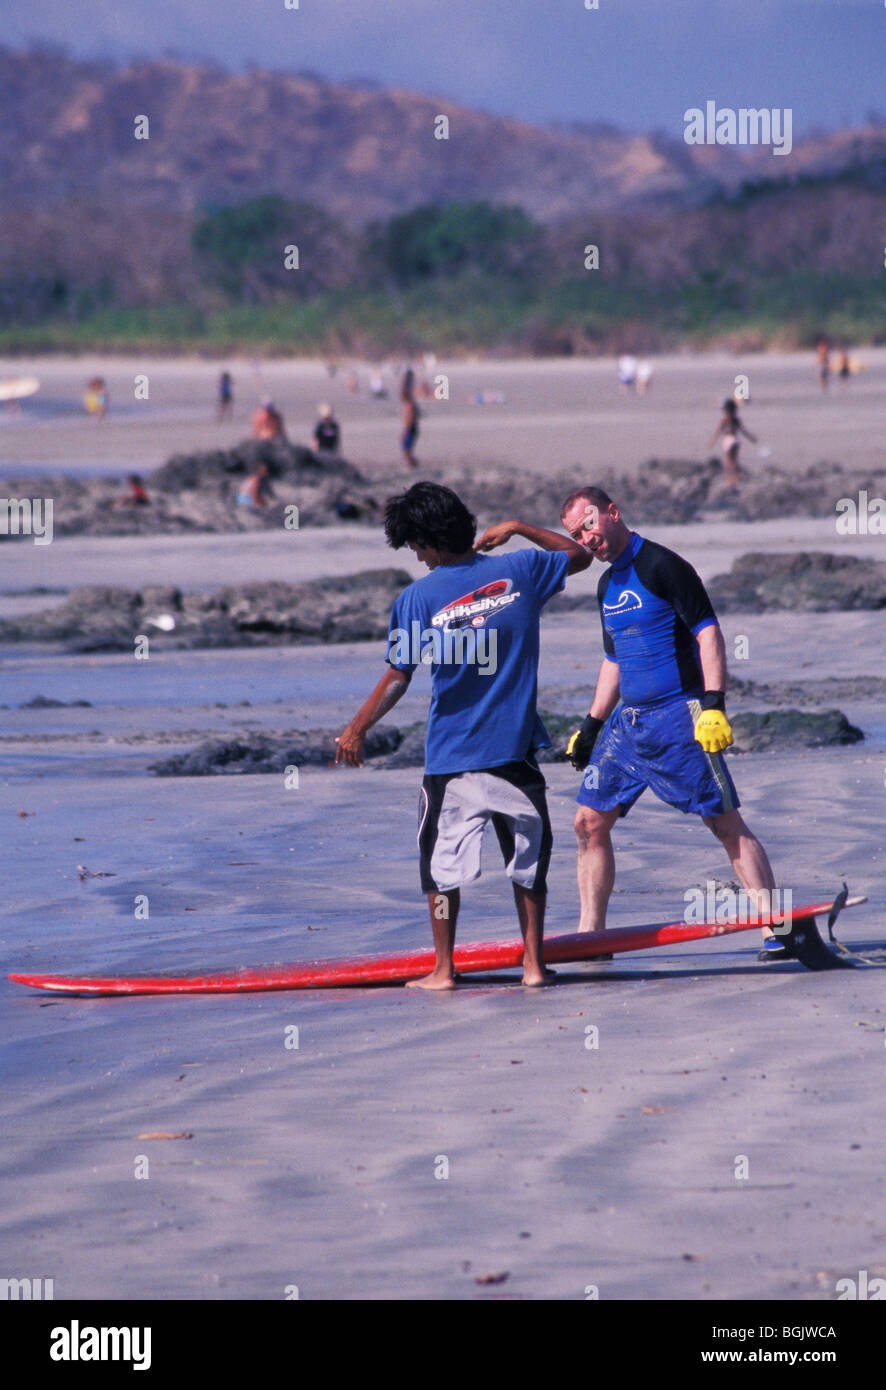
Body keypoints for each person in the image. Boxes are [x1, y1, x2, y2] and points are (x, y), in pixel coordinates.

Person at [335, 481, 591, 989]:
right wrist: (518, 528)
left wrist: (354, 730)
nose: (416, 557)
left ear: (428, 542)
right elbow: (579, 555)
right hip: (514, 750)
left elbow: (398, 676)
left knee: (439, 866)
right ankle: (534, 967)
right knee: (528, 861)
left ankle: (444, 969)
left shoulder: (415, 599)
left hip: (452, 755)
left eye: (414, 546)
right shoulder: (521, 569)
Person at [560, 486, 783, 961]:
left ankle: (776, 927)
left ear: (614, 513)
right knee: (587, 823)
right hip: (628, 726)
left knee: (724, 823)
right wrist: (592, 724)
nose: (588, 539)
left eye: (591, 524)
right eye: (577, 535)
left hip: (680, 718)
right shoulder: (606, 587)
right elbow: (612, 660)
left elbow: (709, 633)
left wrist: (715, 704)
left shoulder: (664, 566)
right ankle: (591, 939)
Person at [708, 398, 755, 487]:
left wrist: (712, 442)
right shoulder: (736, 419)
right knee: (735, 460)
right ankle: (736, 478)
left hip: (728, 439)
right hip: (736, 440)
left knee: (727, 461)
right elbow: (743, 431)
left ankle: (729, 479)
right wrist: (752, 438)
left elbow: (718, 432)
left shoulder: (724, 420)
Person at [400, 368, 420, 469]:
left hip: (411, 428)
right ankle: (414, 465)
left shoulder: (410, 405)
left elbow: (411, 420)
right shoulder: (410, 404)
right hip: (412, 428)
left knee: (406, 450)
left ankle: (414, 465)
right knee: (406, 449)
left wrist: (405, 431)